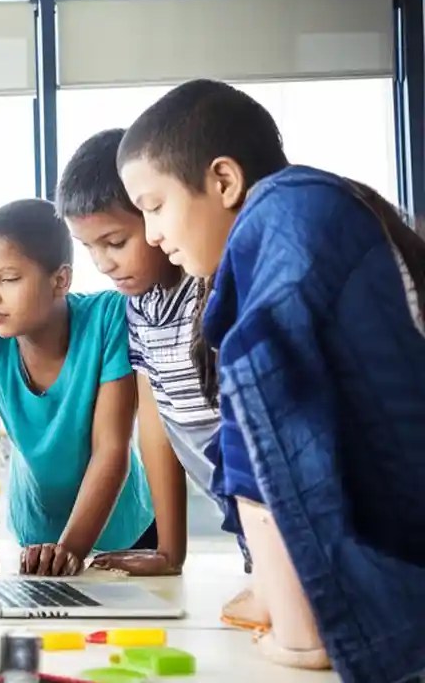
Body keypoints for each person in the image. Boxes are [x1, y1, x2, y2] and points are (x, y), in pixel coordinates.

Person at [117, 78, 425, 681]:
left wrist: (299, 632)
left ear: (223, 181)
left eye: (154, 206)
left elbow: (264, 414)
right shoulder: (317, 206)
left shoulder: (282, 218)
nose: (152, 234)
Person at [55, 129, 259, 625]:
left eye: (115, 242)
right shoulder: (138, 308)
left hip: (282, 516)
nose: (104, 263)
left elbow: (256, 436)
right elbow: (157, 427)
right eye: (89, 248)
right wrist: (170, 550)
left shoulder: (210, 288)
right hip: (251, 531)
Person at [0, 199, 154, 577]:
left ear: (60, 280)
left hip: (123, 535)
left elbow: (111, 448)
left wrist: (70, 549)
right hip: (32, 533)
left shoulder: (109, 318)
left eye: (8, 279)